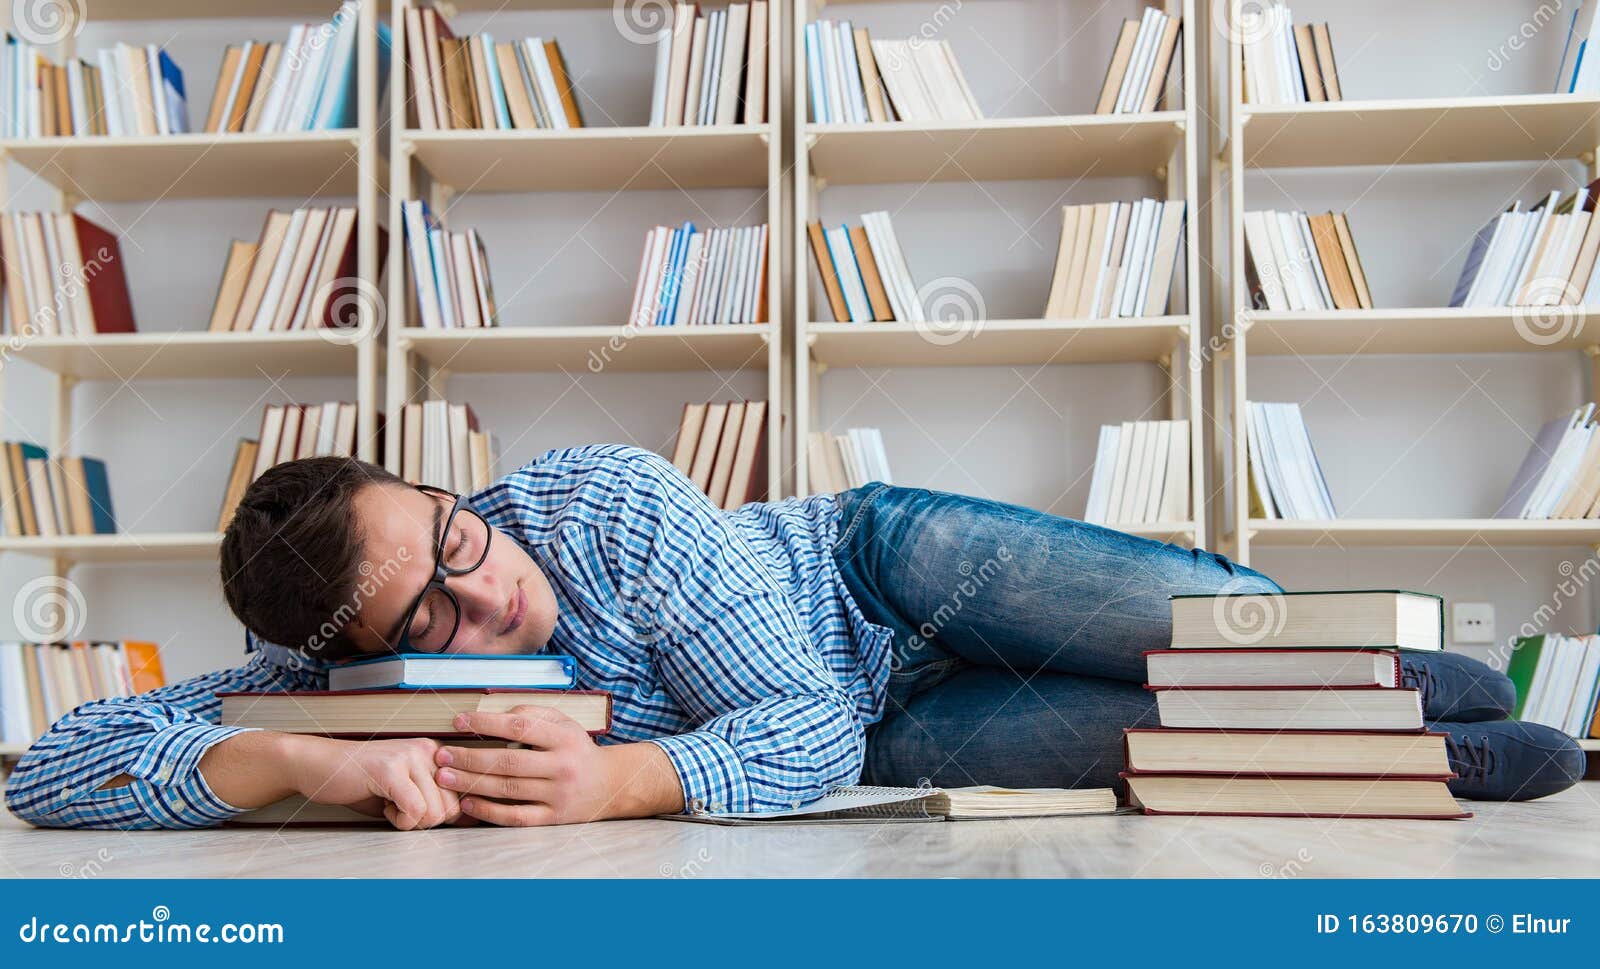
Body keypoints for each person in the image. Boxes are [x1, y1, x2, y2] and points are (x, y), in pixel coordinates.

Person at [4, 445, 1585, 830]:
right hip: (889, 730)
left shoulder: (600, 501)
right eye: (423, 615)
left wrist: (608, 786)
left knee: (1204, 630)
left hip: (879, 582)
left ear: (448, 494)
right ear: (353, 655)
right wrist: (287, 755)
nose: (482, 600)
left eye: (459, 544)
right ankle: (1424, 745)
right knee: (1150, 751)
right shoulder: (323, 687)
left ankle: (1375, 661)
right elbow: (52, 766)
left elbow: (795, 730)